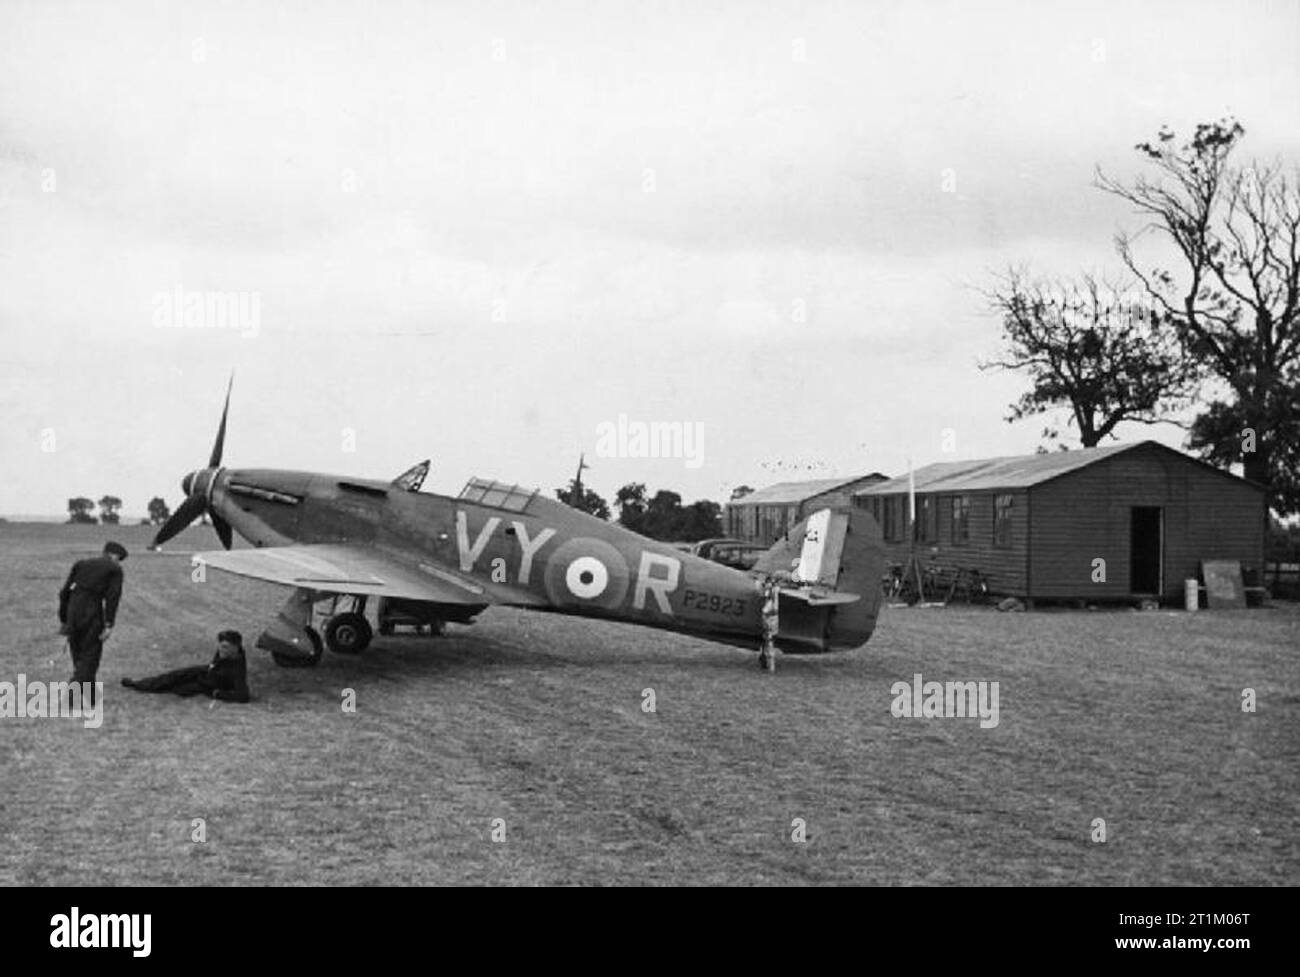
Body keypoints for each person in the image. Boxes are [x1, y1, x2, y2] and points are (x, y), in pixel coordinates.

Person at [58, 541, 127, 705]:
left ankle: (90, 697)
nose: (118, 562)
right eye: (119, 559)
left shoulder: (81, 564)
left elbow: (64, 592)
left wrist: (64, 619)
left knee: (79, 655)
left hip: (73, 610)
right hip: (91, 610)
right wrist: (109, 624)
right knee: (90, 657)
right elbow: (112, 598)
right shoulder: (114, 570)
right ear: (113, 556)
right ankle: (71, 696)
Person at [121, 630, 251, 702]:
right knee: (174, 675)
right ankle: (139, 683)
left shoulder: (237, 669)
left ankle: (145, 685)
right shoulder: (226, 651)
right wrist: (212, 666)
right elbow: (216, 661)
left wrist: (216, 694)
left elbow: (243, 696)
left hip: (211, 683)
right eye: (220, 646)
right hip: (209, 672)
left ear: (235, 647)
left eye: (225, 647)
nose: (220, 649)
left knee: (177, 688)